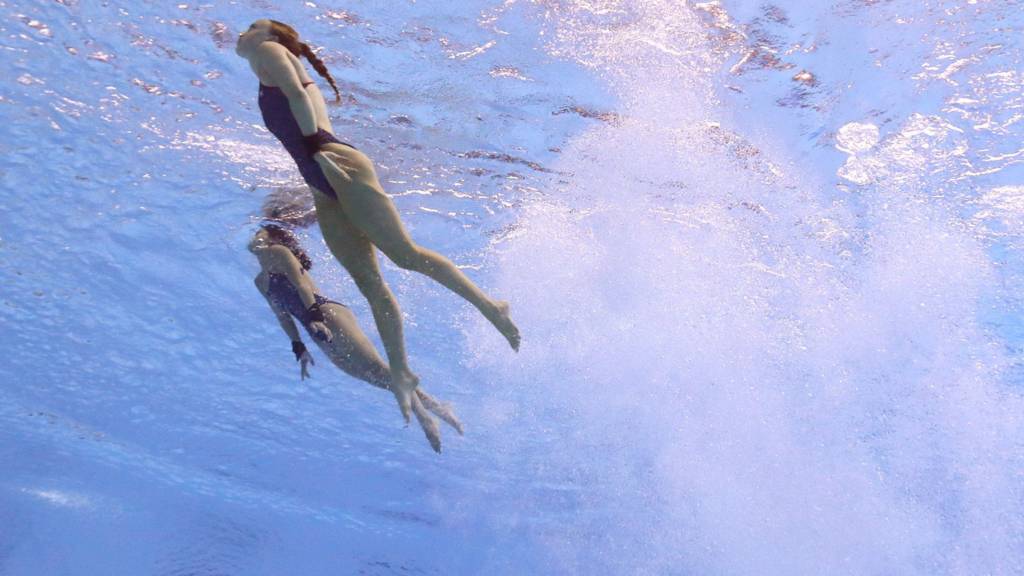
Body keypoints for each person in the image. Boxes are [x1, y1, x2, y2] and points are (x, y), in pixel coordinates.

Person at [235, 19, 519, 423]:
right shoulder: (267, 58)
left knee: (405, 255)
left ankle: (492, 306)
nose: (242, 32)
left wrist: (315, 144)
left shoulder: (268, 50)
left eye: (251, 25)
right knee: (371, 286)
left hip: (335, 163)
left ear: (270, 34)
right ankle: (401, 373)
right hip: (322, 185)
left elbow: (297, 93)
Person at [250, 224, 462, 453]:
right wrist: (298, 346)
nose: (254, 236)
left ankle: (426, 420)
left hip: (326, 315)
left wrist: (315, 317)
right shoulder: (260, 281)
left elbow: (302, 286)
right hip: (315, 329)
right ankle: (439, 408)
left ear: (272, 237)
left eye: (259, 232)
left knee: (380, 369)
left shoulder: (280, 253)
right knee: (375, 378)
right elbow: (282, 315)